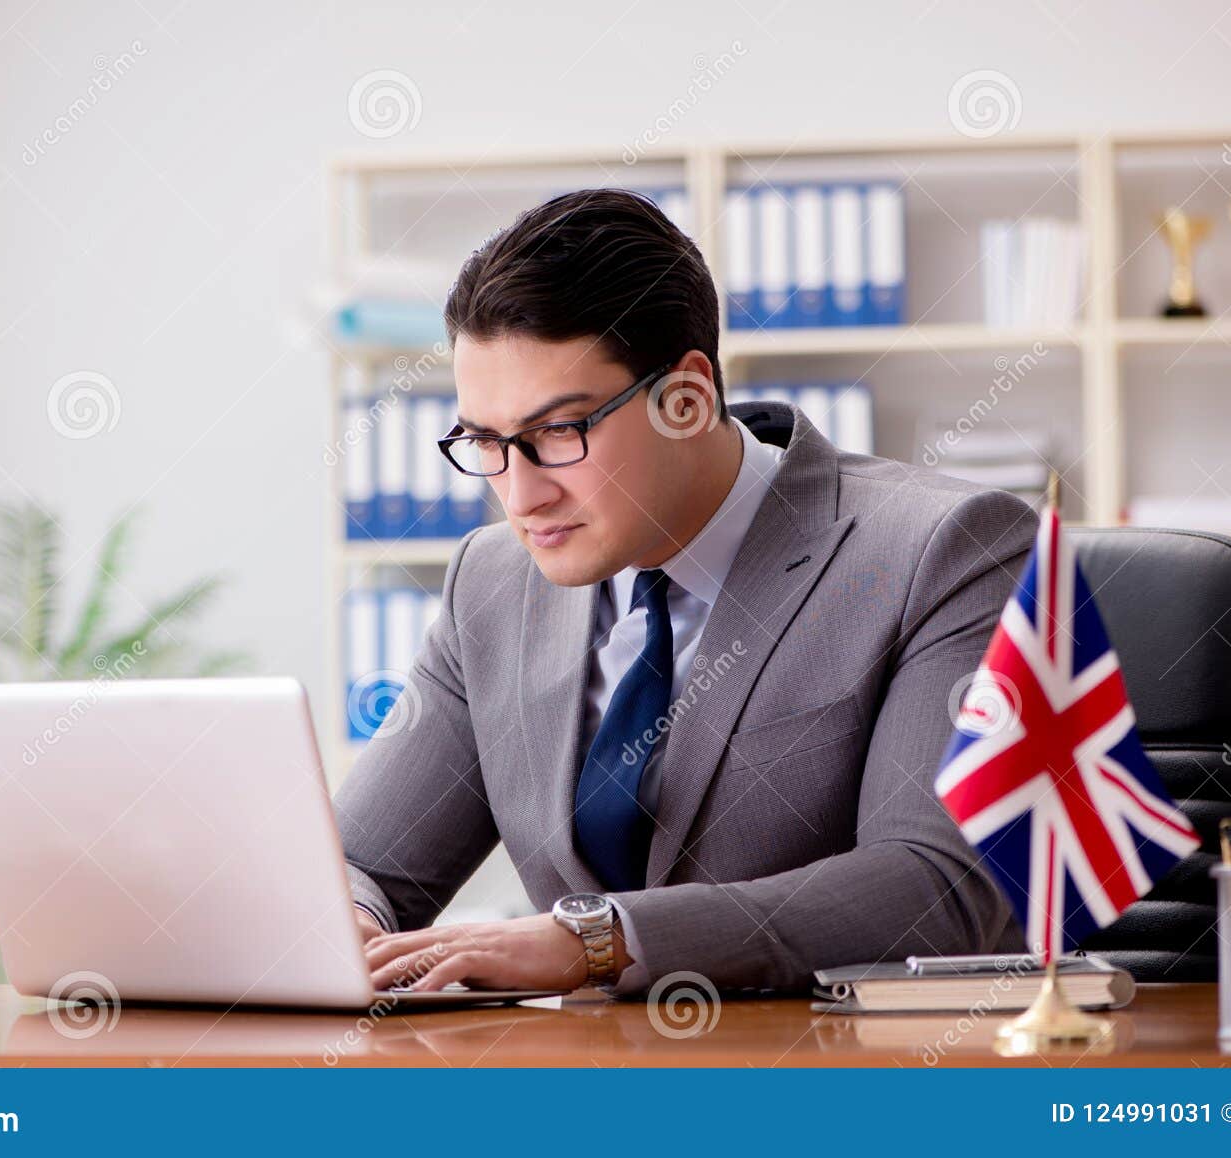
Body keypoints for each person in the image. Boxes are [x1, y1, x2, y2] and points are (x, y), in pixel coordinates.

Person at [336, 188, 1036, 996]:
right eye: (485, 441)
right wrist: (347, 918)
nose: (520, 496)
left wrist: (597, 940)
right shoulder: (491, 583)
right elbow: (367, 863)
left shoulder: (945, 549)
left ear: (686, 396)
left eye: (560, 433)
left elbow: (935, 886)